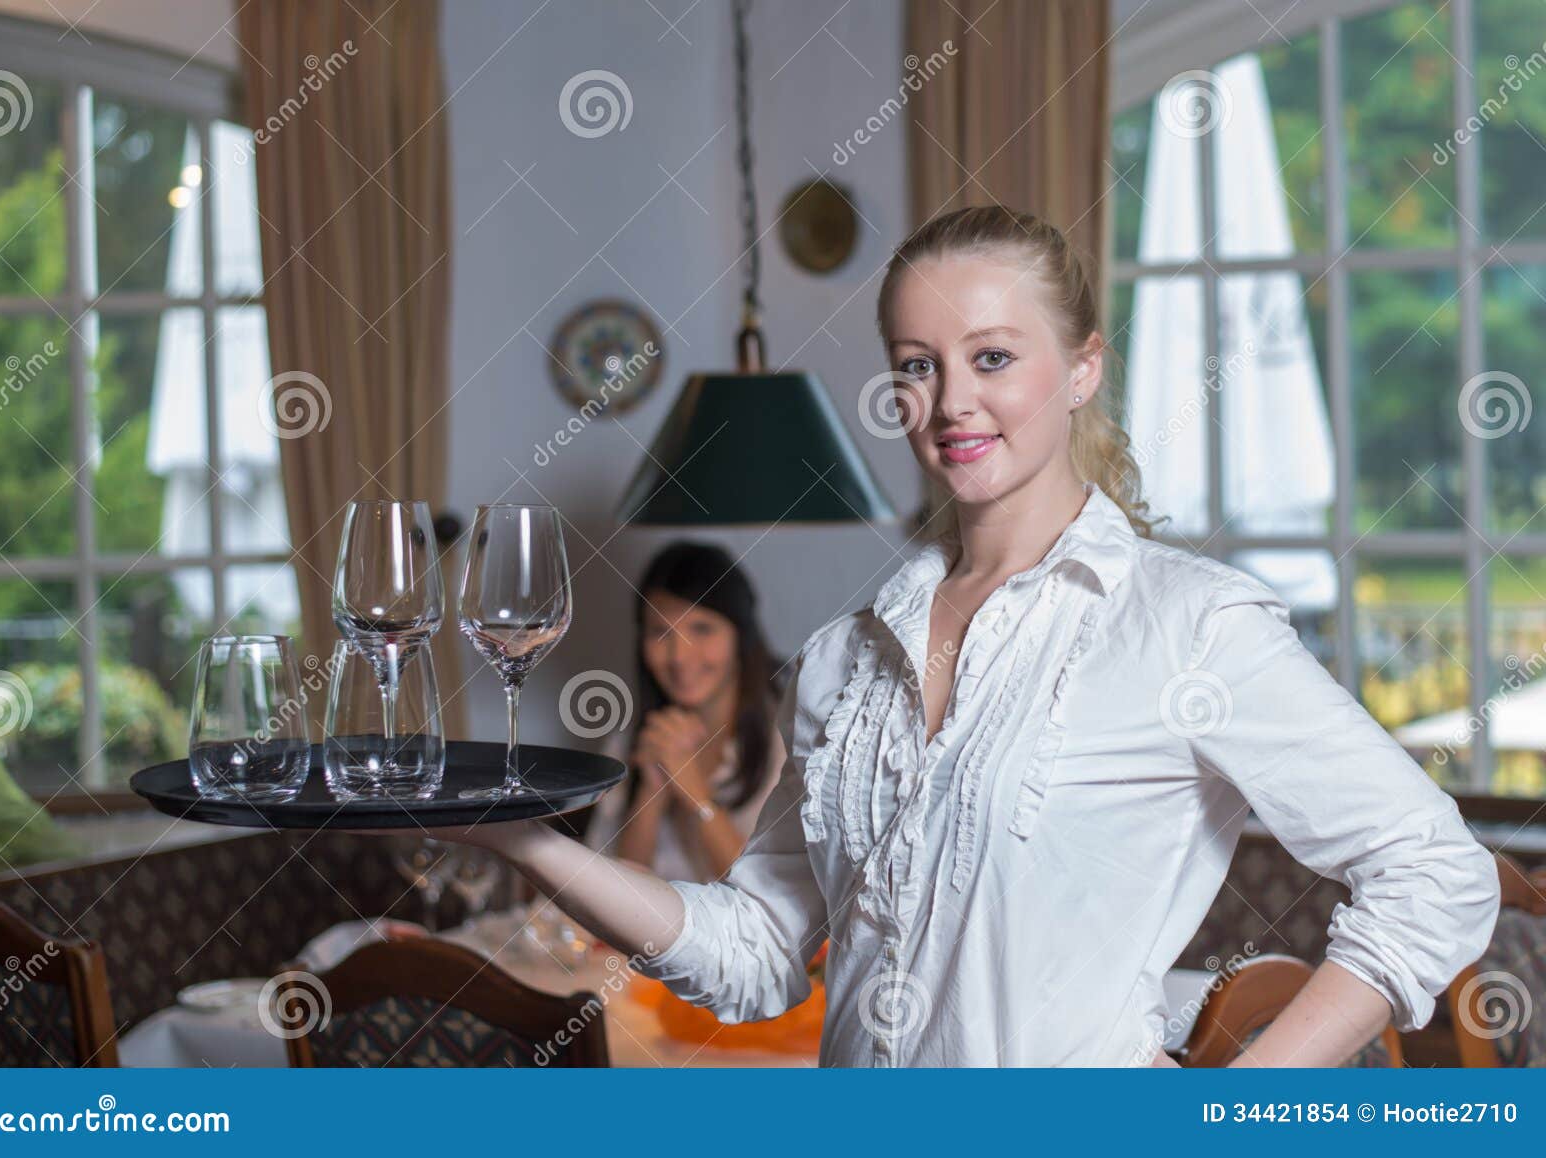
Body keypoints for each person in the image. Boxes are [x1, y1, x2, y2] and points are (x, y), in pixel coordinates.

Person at [424, 205, 1500, 1067]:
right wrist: (522, 838)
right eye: (916, 364)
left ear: (1080, 369)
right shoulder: (844, 657)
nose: (949, 402)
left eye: (991, 357)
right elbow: (754, 954)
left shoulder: (1189, 625)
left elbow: (1436, 874)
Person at [583, 541, 785, 882]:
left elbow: (765, 899)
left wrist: (695, 794)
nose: (678, 656)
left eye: (702, 629)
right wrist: (652, 789)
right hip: (651, 936)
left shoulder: (791, 739)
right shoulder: (632, 739)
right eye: (660, 631)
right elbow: (618, 893)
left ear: (741, 634)